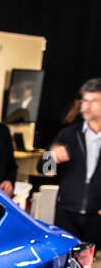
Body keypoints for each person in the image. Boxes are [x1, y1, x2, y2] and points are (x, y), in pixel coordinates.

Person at [48, 77, 101, 245]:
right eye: (84, 100)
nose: (85, 106)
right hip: (66, 214)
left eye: (93, 101)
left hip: (95, 217)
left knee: (89, 266)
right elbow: (43, 169)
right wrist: (51, 156)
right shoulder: (68, 134)